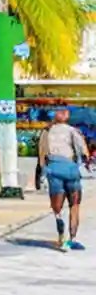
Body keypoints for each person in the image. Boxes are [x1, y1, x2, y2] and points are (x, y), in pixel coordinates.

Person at [35, 107, 89, 251]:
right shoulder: (73, 131)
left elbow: (41, 154)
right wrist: (84, 162)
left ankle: (60, 229)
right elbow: (84, 152)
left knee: (57, 206)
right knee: (75, 204)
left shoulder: (45, 132)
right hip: (70, 170)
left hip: (53, 169)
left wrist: (40, 174)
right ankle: (72, 239)